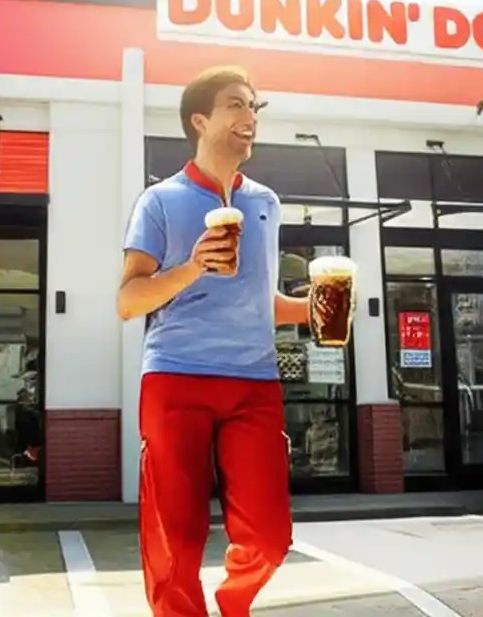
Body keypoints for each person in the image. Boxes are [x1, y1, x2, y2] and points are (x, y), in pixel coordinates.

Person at [117, 66, 319, 616]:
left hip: (254, 381)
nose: (249, 118)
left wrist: (314, 312)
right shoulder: (160, 201)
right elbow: (129, 300)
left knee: (269, 538)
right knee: (175, 539)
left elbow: (261, 300)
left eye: (255, 106)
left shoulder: (266, 203)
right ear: (199, 120)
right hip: (175, 377)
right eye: (236, 105)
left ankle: (234, 604)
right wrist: (192, 267)